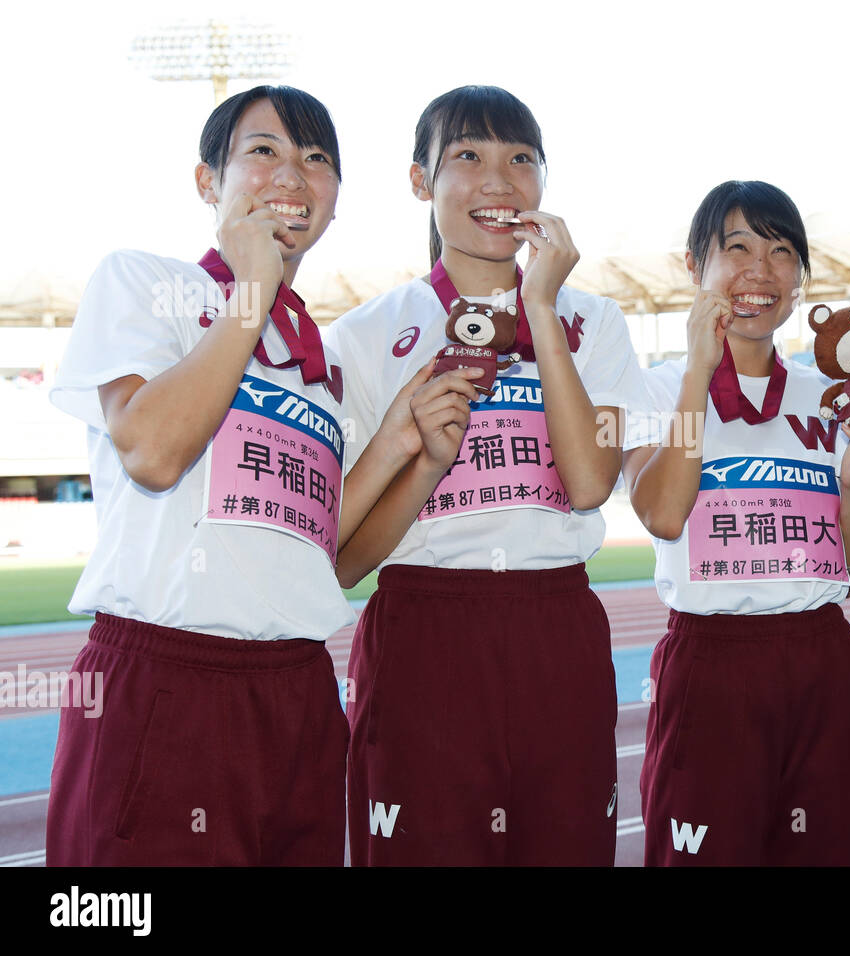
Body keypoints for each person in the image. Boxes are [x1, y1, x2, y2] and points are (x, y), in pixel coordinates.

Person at [45, 86, 414, 865]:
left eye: (317, 160)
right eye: (263, 151)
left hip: (299, 694)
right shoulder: (145, 284)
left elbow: (324, 554)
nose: (293, 174)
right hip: (166, 680)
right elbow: (152, 452)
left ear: (335, 200)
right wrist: (250, 292)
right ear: (208, 182)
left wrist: (400, 445)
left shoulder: (326, 362)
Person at [325, 85, 649, 866]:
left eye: (521, 159)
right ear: (419, 180)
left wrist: (541, 307)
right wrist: (421, 459)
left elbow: (588, 484)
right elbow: (344, 558)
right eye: (467, 155)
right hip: (422, 630)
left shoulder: (594, 321)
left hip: (556, 625)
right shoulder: (364, 336)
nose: (498, 180)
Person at [621, 181, 850, 866]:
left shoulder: (829, 398)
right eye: (736, 247)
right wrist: (697, 375)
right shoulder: (653, 387)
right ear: (693, 266)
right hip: (711, 665)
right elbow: (663, 513)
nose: (759, 271)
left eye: (781, 252)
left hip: (821, 660)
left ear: (800, 278)